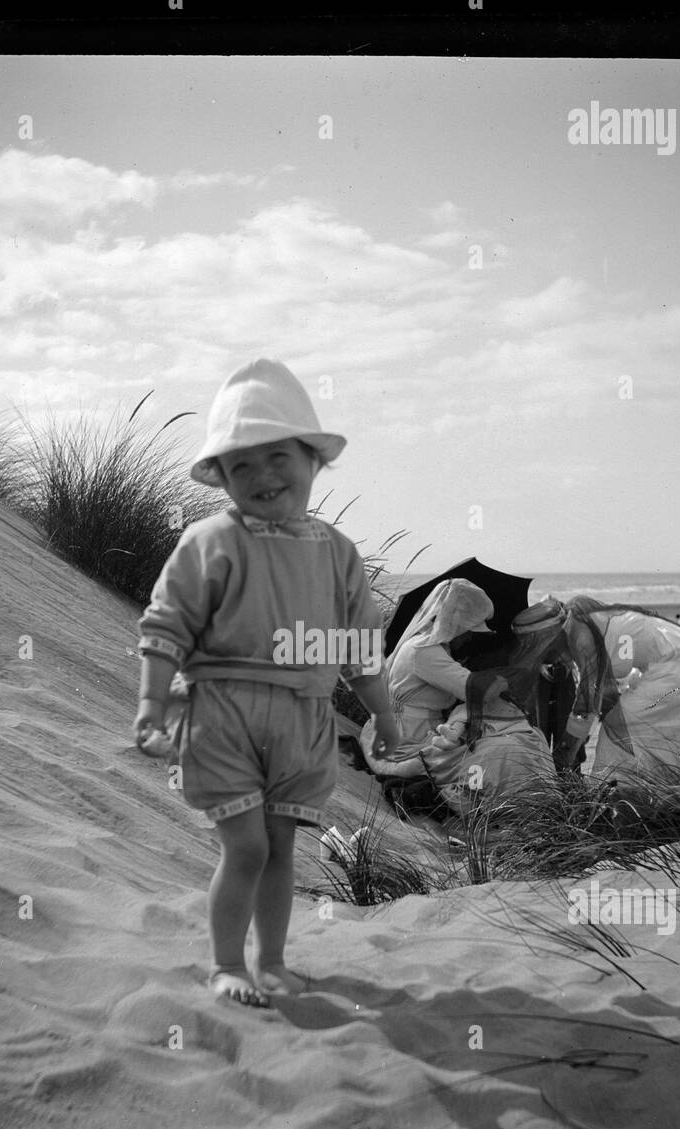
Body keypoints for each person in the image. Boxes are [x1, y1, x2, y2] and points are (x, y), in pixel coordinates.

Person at [132, 359, 398, 1007]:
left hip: (303, 722)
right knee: (245, 845)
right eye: (240, 466)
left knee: (280, 844)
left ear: (314, 460)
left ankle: (272, 961)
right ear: (220, 477)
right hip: (224, 713)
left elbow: (360, 650)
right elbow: (166, 624)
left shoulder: (338, 553)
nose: (261, 476)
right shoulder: (210, 541)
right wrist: (150, 704)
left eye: (277, 456)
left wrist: (385, 720)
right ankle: (228, 964)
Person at [499, 596, 680, 791]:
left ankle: (616, 793)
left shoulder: (582, 640)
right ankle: (658, 785)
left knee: (622, 727)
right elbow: (599, 697)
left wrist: (564, 755)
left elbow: (586, 704)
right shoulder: (577, 620)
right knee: (640, 728)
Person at [359, 577, 494, 769]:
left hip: (400, 727)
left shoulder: (421, 643)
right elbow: (473, 690)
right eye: (469, 629)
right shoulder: (425, 651)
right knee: (484, 754)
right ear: (456, 624)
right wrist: (501, 680)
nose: (470, 636)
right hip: (410, 735)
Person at [421, 672, 557, 816]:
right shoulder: (510, 707)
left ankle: (501, 807)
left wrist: (450, 737)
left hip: (506, 757)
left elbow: (454, 733)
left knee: (495, 764)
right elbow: (455, 731)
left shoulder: (473, 708)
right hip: (522, 757)